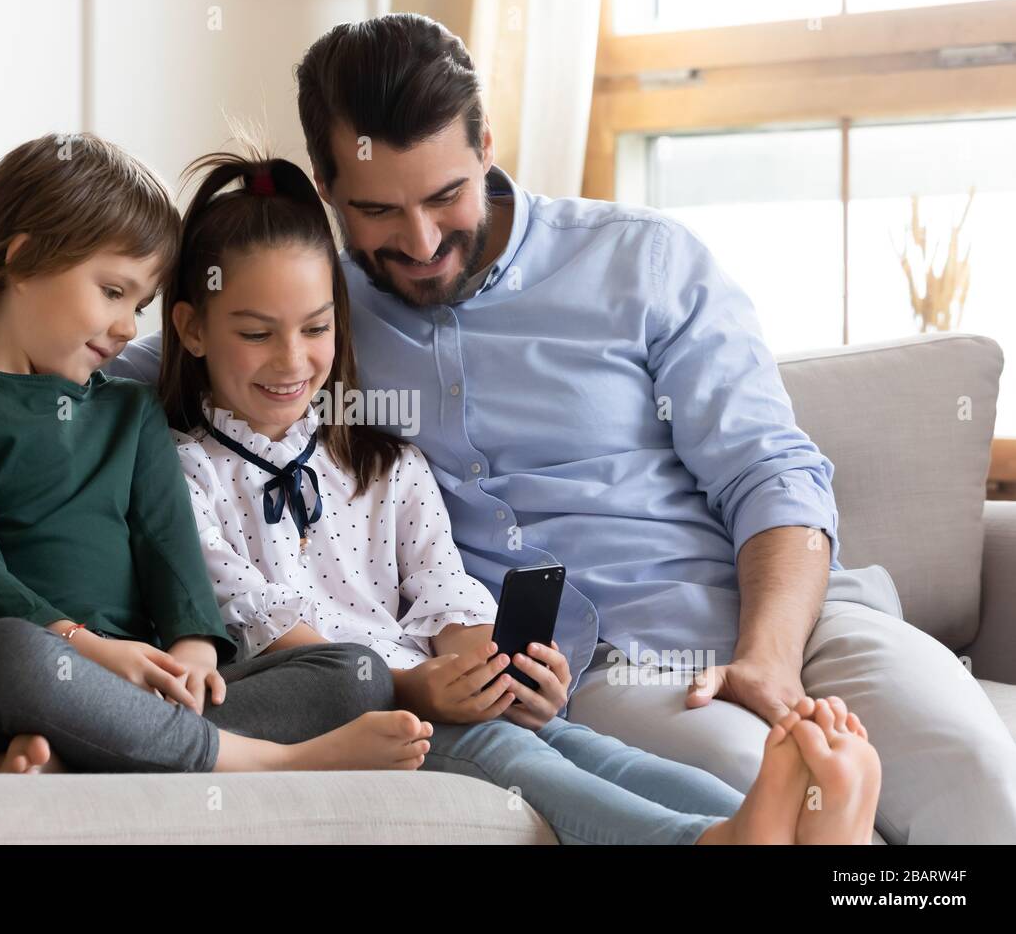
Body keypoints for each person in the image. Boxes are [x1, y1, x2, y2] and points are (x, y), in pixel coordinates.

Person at [0, 14, 1013, 841]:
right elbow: (63, 361)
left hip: (790, 613)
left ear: (491, 147)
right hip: (612, 670)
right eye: (379, 217)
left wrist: (776, 657)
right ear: (332, 196)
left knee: (965, 771)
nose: (420, 242)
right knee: (739, 784)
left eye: (446, 196)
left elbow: (778, 480)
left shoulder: (642, 265)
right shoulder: (293, 308)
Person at [157, 145, 881, 844]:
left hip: (435, 691)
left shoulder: (384, 462)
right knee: (515, 762)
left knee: (583, 746)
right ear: (192, 327)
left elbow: (447, 593)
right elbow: (256, 620)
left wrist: (499, 668)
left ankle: (789, 818)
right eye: (256, 333)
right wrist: (420, 689)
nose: (291, 360)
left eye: (316, 328)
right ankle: (711, 843)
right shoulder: (181, 472)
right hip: (350, 711)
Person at [0, 132, 431, 775]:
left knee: (356, 672)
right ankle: (256, 760)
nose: (125, 327)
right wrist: (90, 651)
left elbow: (171, 551)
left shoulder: (129, 411)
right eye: (113, 292)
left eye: (139, 305)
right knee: (6, 652)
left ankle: (89, 751)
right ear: (23, 261)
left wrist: (195, 648)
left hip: (132, 689)